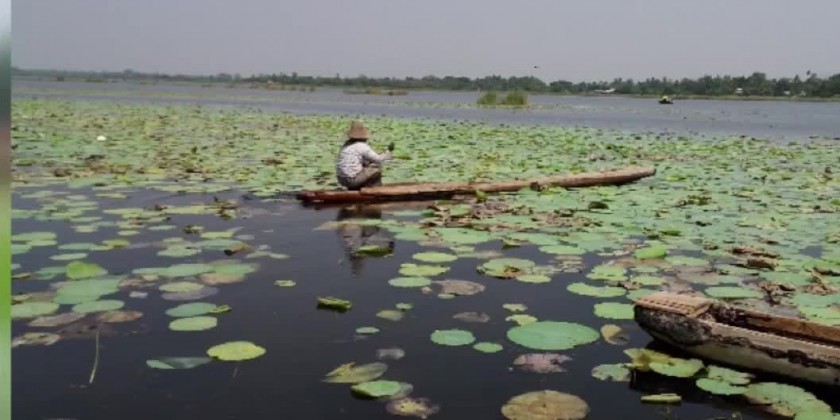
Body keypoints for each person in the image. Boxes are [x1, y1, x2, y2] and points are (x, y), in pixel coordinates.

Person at [336, 120, 394, 190]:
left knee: (367, 165)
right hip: (352, 180)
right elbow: (378, 160)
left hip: (341, 179)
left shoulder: (346, 145)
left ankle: (357, 187)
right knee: (376, 167)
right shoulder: (362, 146)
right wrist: (388, 151)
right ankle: (375, 189)